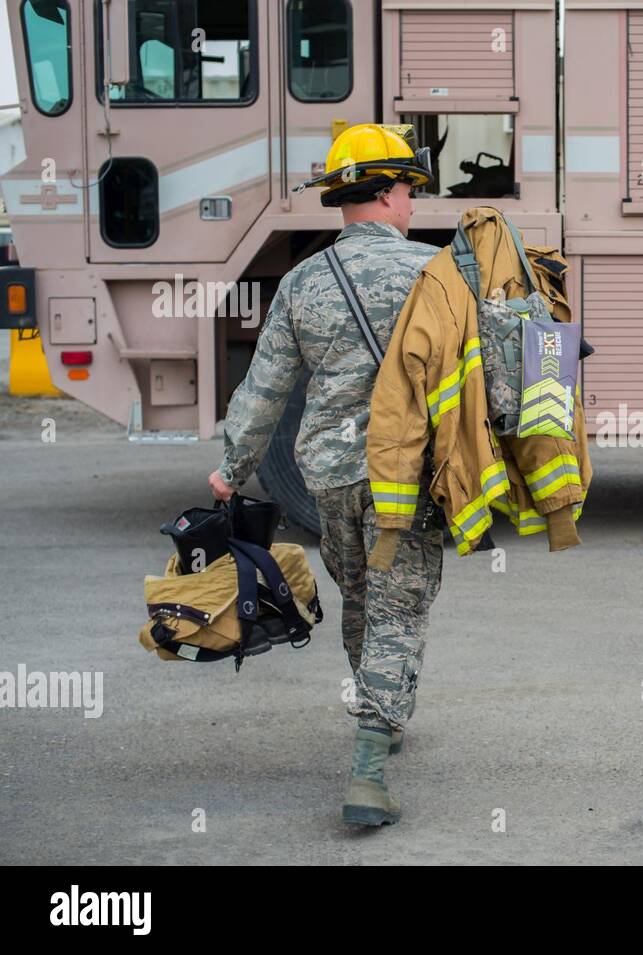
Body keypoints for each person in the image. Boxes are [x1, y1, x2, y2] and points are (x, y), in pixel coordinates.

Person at [207, 124, 441, 827]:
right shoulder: (439, 274)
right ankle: (368, 768)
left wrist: (231, 469)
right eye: (408, 189)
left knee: (363, 597)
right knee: (401, 607)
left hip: (331, 478)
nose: (411, 203)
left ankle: (382, 711)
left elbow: (265, 389)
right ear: (388, 193)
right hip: (412, 477)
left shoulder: (303, 282)